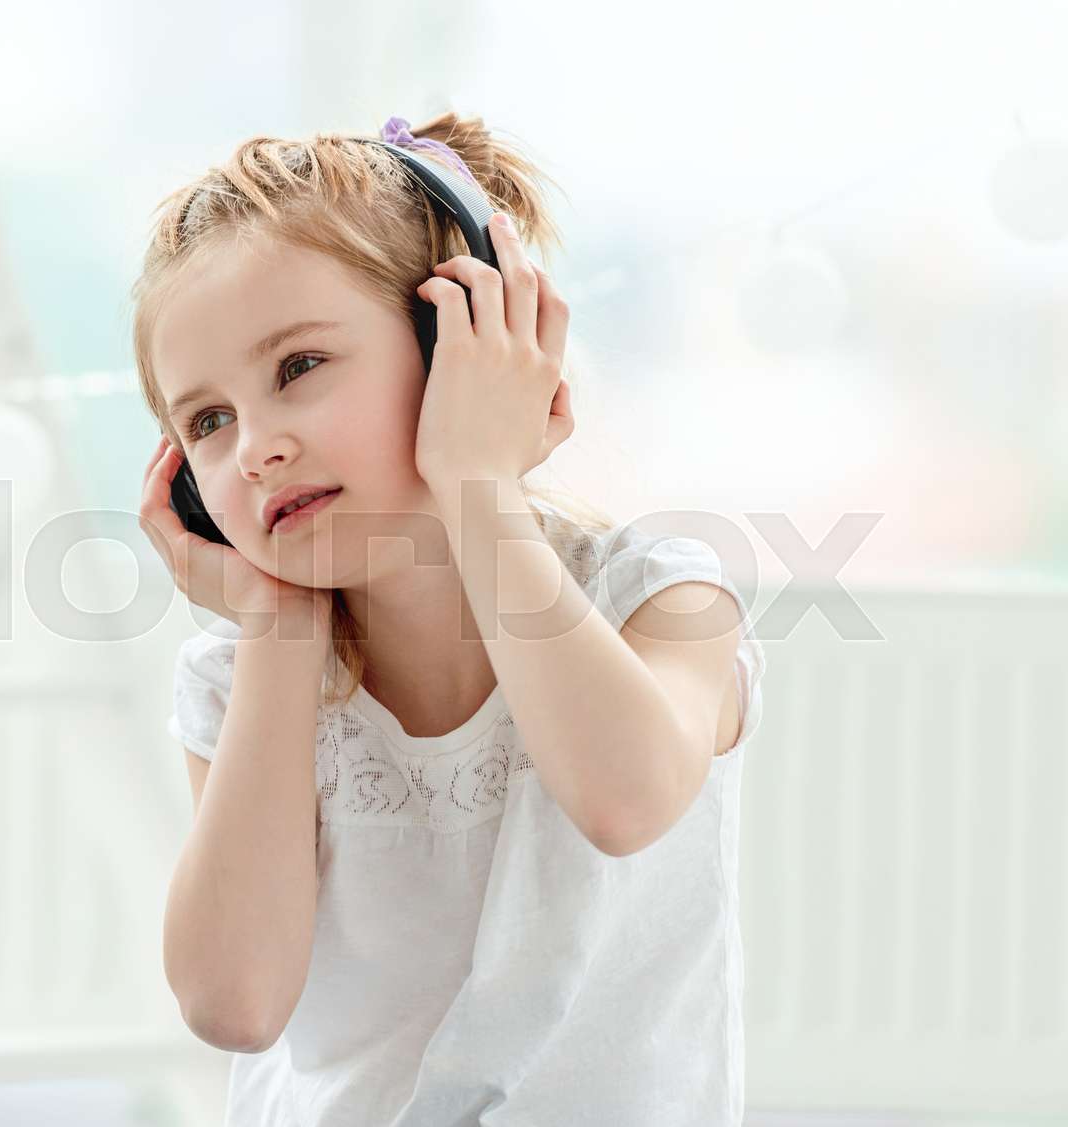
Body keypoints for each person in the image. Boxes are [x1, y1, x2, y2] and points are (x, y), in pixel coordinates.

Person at [134, 109, 767, 1126]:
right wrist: (281, 629)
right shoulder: (235, 674)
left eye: (298, 367)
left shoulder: (661, 598)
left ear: (459, 344)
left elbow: (624, 800)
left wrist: (478, 480)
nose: (253, 449)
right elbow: (234, 1003)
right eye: (208, 420)